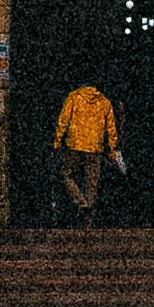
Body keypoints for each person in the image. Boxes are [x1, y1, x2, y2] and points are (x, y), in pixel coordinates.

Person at [53, 77, 121, 224]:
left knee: (66, 174)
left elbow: (63, 121)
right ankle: (88, 218)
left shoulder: (73, 97)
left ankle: (81, 203)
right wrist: (112, 150)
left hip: (74, 144)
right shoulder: (105, 102)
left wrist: (57, 142)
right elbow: (111, 129)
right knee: (91, 182)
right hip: (95, 147)